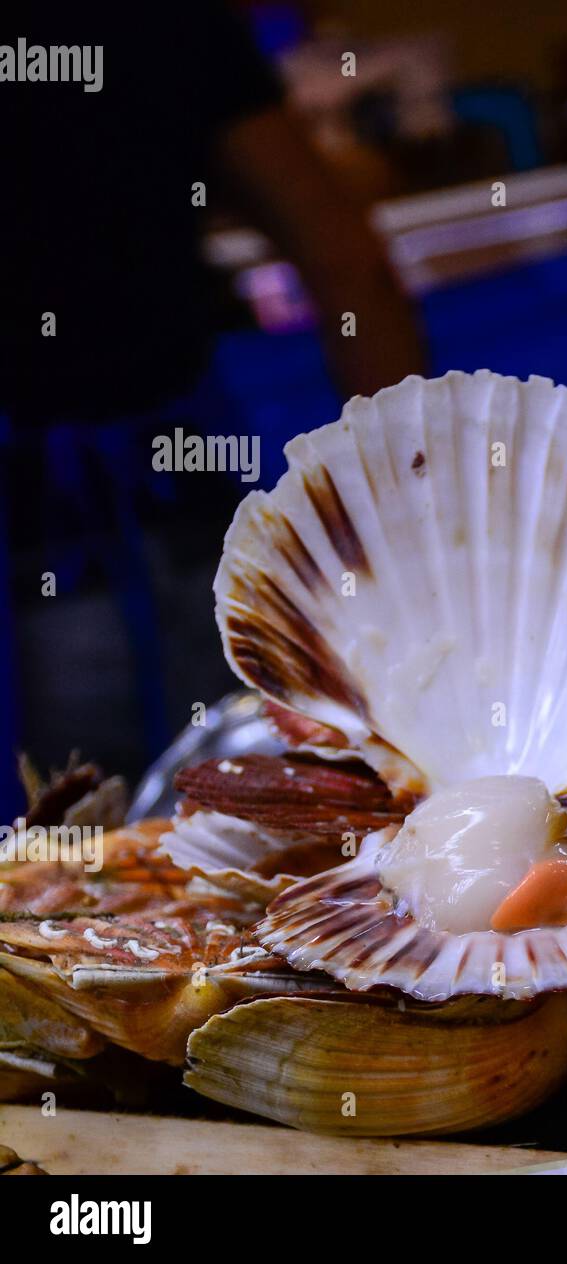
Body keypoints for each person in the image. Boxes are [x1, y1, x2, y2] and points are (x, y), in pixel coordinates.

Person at [0, 2, 427, 812]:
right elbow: (344, 260)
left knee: (70, 863)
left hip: (113, 515)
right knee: (229, 821)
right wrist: (409, 521)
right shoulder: (173, 23)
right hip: (167, 498)